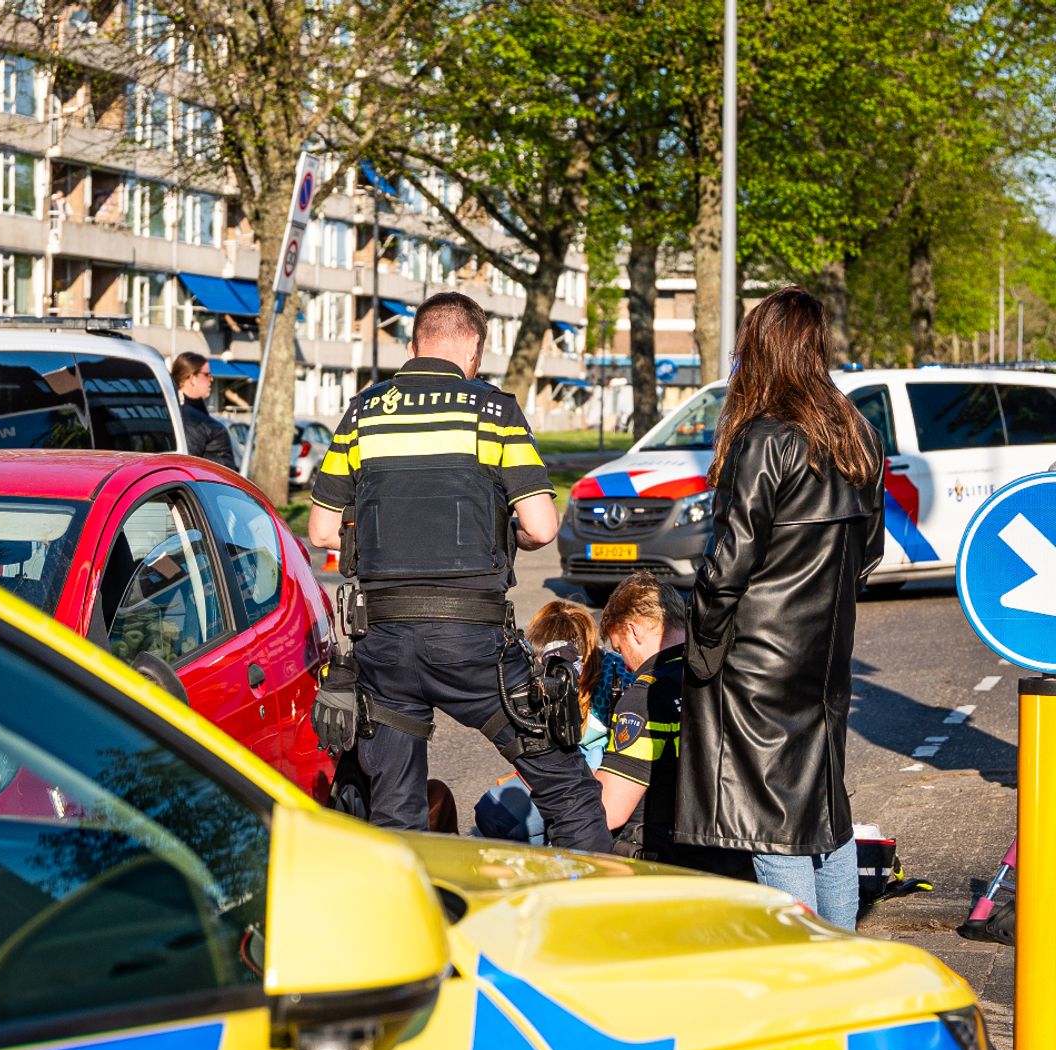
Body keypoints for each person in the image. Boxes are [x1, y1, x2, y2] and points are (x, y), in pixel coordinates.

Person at [307, 291, 613, 853]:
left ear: (415, 343)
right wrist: (502, 529)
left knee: (395, 814)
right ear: (472, 349)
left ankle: (409, 929)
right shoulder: (491, 410)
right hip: (473, 645)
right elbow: (542, 527)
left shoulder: (363, 413)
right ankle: (594, 925)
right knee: (567, 792)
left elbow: (323, 532)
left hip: (384, 644)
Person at [675, 286, 885, 929]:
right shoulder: (857, 433)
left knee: (772, 823)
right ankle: (844, 954)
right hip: (823, 658)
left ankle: (806, 964)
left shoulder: (765, 438)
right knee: (824, 809)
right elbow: (869, 552)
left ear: (761, 349)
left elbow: (730, 561)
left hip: (757, 664)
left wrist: (701, 637)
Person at [597, 572, 754, 877]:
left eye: (620, 648)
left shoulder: (644, 697)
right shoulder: (729, 671)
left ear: (634, 630)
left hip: (672, 863)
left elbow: (608, 813)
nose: (627, 665)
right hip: (742, 852)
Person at [473, 598, 632, 843]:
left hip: (603, 779)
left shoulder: (615, 677)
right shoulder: (534, 674)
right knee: (493, 812)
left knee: (555, 817)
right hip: (559, 771)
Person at [171, 352, 237, 470]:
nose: (211, 379)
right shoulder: (190, 419)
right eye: (206, 375)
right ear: (192, 378)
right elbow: (187, 464)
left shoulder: (177, 409)